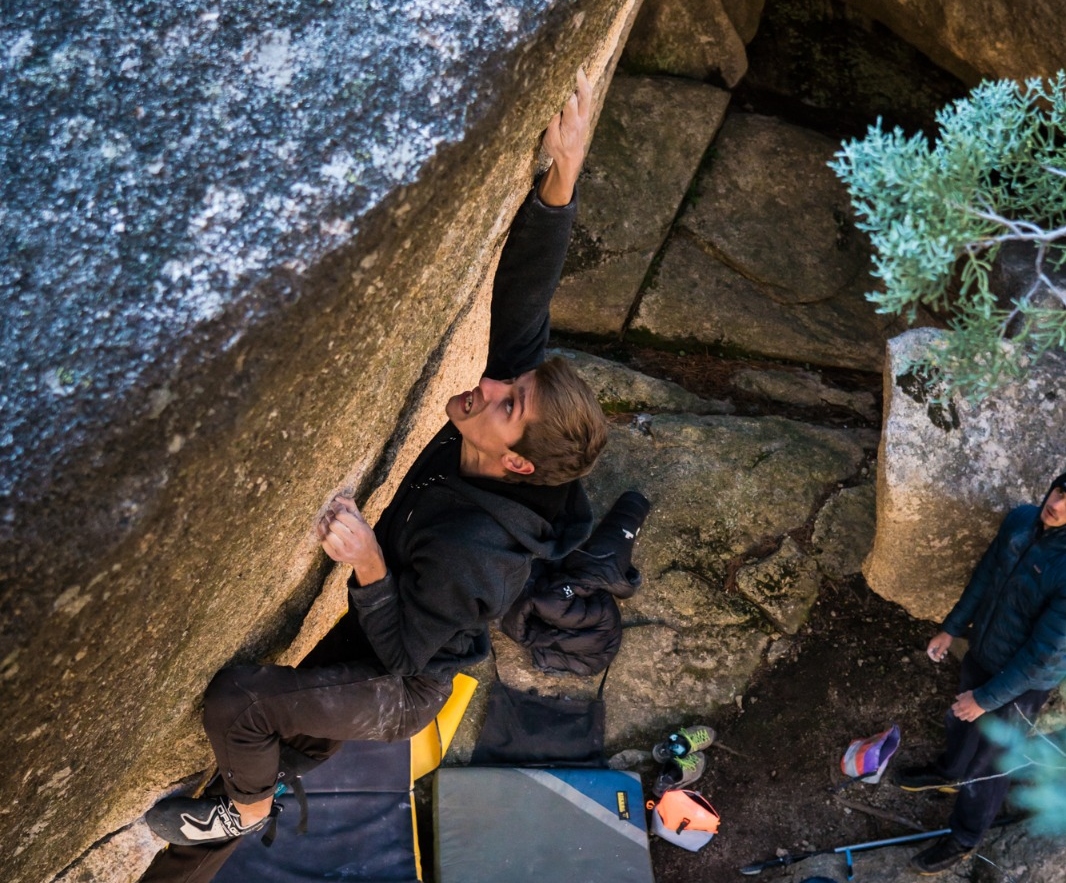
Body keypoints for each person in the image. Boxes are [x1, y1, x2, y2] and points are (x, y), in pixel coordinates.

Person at [143, 68, 610, 877]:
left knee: (242, 705)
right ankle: (235, 812)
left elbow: (401, 657)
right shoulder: (501, 430)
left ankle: (249, 812)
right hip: (380, 635)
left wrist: (366, 562)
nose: (490, 385)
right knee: (270, 742)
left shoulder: (481, 553)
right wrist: (560, 186)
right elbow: (525, 306)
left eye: (507, 403)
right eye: (511, 385)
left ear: (517, 458)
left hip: (400, 681)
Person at [897, 471, 1066, 875]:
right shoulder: (1021, 520)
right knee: (959, 719)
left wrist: (987, 698)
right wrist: (952, 627)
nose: (1057, 505)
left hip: (1023, 682)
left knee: (990, 764)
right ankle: (949, 772)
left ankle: (965, 838)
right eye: (1061, 491)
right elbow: (986, 577)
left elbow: (1044, 655)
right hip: (984, 649)